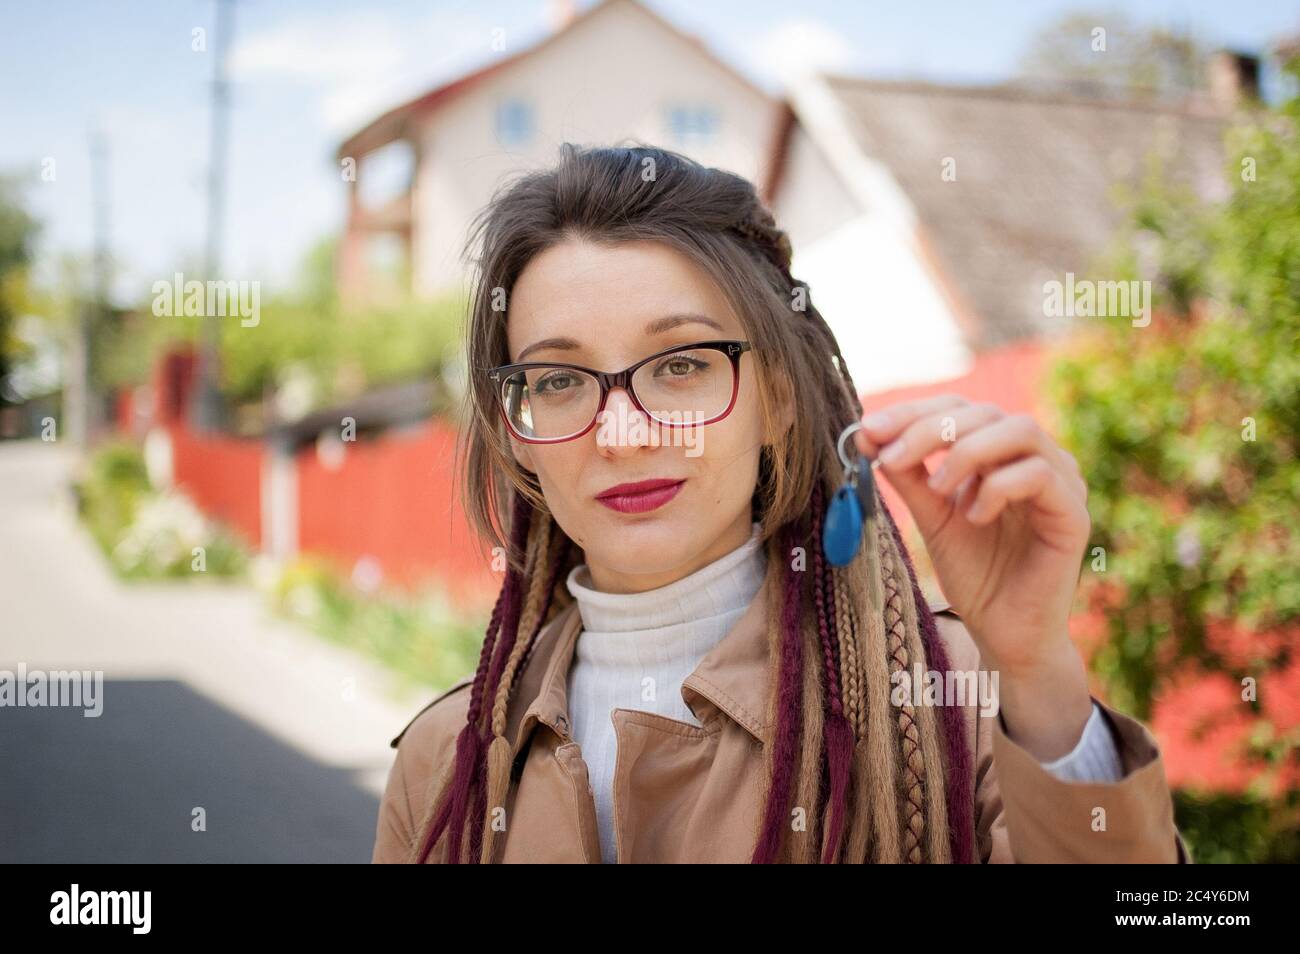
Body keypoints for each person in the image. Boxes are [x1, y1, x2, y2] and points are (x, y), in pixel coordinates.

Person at [371, 143, 1187, 864]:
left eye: (681, 364)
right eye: (556, 379)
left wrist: (1039, 670)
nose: (620, 434)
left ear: (780, 398)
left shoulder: (952, 701)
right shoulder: (446, 765)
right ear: (517, 431)